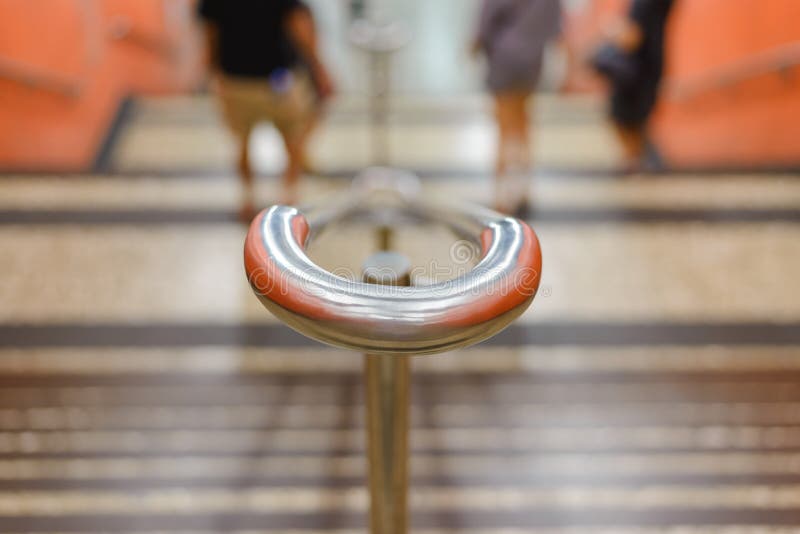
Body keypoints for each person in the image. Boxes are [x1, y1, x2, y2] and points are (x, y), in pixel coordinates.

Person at [198, 0, 334, 222]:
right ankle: (290, 197)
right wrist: (319, 68)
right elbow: (298, 25)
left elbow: (211, 33)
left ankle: (247, 199)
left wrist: (210, 72)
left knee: (242, 143)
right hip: (279, 79)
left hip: (234, 79)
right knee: (293, 139)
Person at [473, 0, 563, 215]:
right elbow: (555, 29)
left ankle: (501, 195)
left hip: (502, 59)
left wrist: (475, 46)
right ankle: (523, 188)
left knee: (504, 129)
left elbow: (485, 25)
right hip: (533, 61)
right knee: (523, 123)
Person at [603, 0, 676, 172]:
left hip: (633, 68)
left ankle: (637, 162)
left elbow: (632, 37)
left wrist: (612, 30)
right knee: (635, 120)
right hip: (650, 63)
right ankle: (639, 162)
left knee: (626, 118)